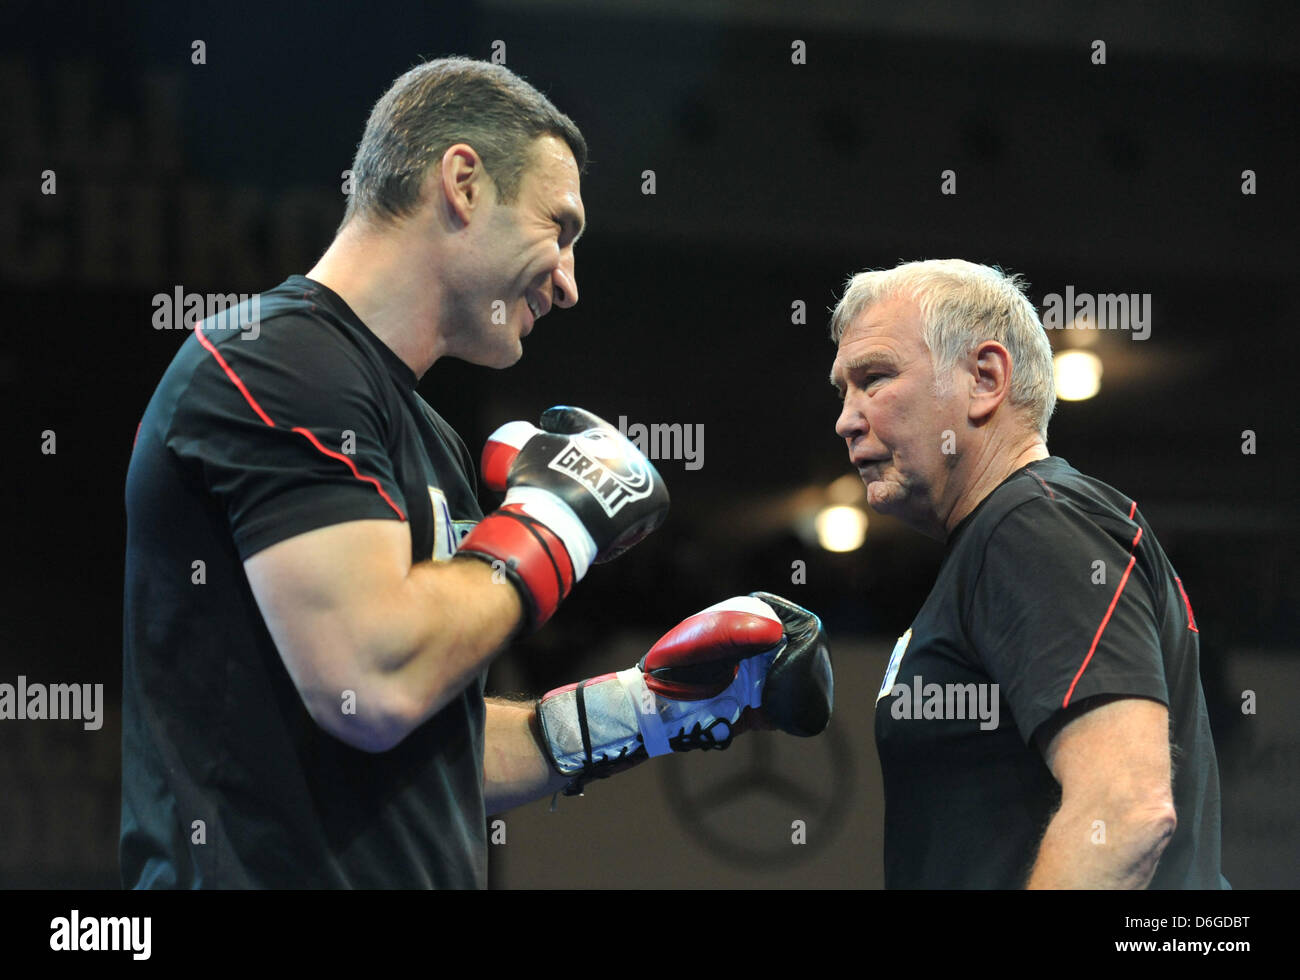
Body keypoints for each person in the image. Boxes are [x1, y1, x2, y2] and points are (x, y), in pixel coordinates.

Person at [121, 57, 831, 889]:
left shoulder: (427, 437)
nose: (569, 283)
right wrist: (559, 521)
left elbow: (432, 742)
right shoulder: (272, 363)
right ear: (463, 181)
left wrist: (653, 708)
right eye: (558, 227)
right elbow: (375, 679)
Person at [828, 258, 1227, 888]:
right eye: (843, 391)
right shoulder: (1007, 535)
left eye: (874, 378)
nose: (847, 419)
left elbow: (1125, 811)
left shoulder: (1030, 525)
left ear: (985, 379)